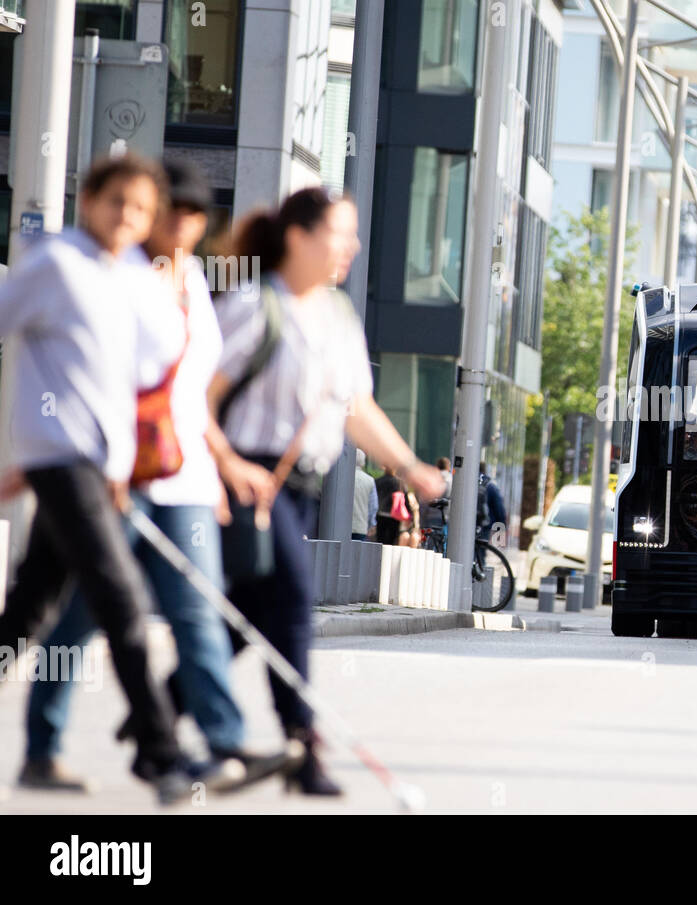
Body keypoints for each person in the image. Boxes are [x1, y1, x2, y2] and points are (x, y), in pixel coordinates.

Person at [19, 160, 295, 794]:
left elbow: (193, 394)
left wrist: (222, 468)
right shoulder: (113, 274)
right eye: (173, 212)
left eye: (195, 216)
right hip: (117, 475)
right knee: (83, 614)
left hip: (185, 479)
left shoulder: (196, 280)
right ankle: (44, 745)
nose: (183, 227)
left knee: (199, 610)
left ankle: (221, 744)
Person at [204, 185, 444, 794]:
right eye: (340, 234)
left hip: (299, 485)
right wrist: (229, 463)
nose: (352, 246)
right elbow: (197, 401)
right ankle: (302, 744)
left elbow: (356, 407)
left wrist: (409, 467)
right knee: (293, 595)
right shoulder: (254, 306)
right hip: (247, 479)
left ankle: (163, 701)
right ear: (298, 237)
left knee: (250, 612)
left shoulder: (338, 315)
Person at [0, 154, 189, 803]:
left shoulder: (130, 277)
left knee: (28, 608)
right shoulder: (57, 265)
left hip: (93, 467)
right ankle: (165, 755)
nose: (126, 218)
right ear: (90, 202)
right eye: (116, 203)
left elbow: (121, 382)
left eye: (139, 209)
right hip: (57, 458)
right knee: (121, 598)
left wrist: (115, 469)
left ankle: (48, 758)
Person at [352, 448, 378, 541]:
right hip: (361, 527)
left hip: (340, 526)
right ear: (363, 463)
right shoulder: (370, 480)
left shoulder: (341, 478)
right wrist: (371, 524)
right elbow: (373, 506)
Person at [374, 464, 404, 545]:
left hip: (381, 513)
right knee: (392, 540)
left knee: (380, 538)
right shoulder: (399, 482)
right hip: (395, 514)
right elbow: (405, 498)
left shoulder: (378, 481)